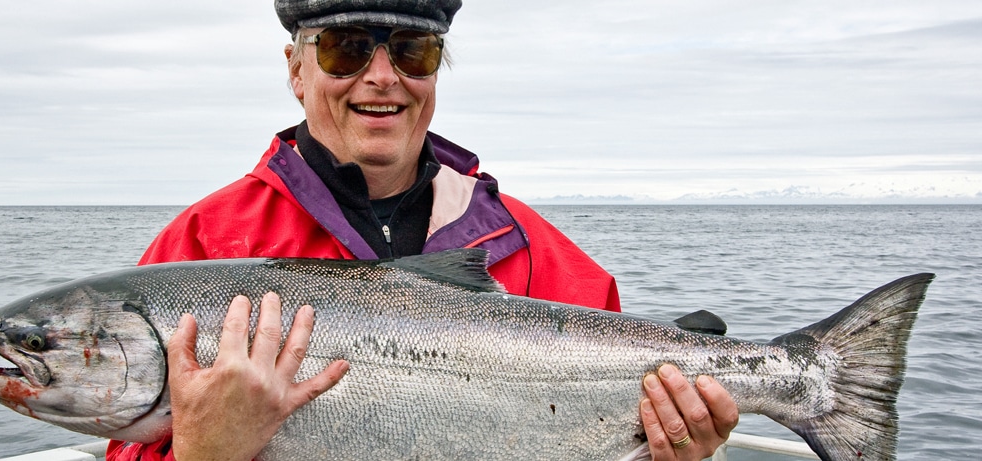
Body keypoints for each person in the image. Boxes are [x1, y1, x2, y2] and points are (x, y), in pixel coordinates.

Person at [107, 1, 739, 460]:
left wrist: (667, 453)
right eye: (346, 48)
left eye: (412, 51)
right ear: (297, 71)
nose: (383, 77)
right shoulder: (201, 245)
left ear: (434, 72)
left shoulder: (530, 246)